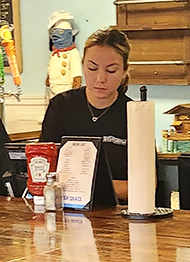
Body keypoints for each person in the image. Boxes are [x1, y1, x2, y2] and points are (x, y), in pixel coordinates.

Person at [40, 25, 130, 203]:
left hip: (119, 216)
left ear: (124, 71)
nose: (100, 78)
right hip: (65, 212)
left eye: (111, 70)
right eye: (92, 68)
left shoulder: (134, 114)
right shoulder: (61, 106)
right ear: (82, 65)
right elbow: (44, 170)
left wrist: (78, 185)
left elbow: (143, 186)